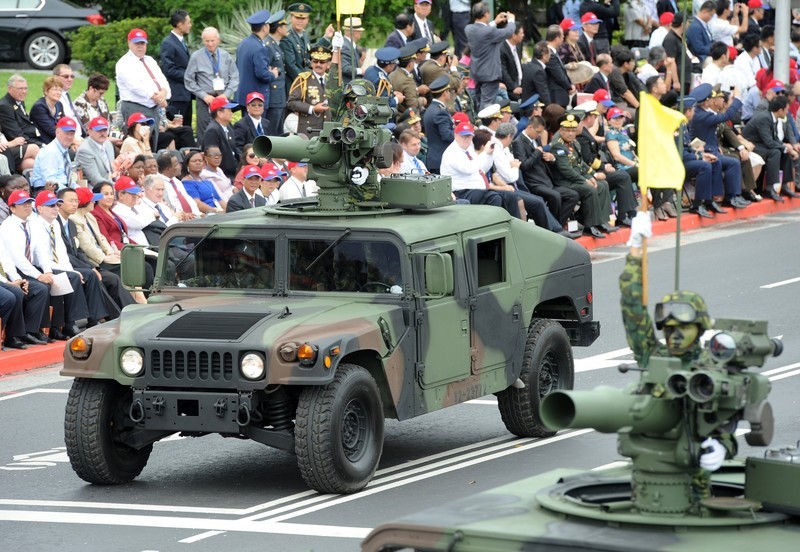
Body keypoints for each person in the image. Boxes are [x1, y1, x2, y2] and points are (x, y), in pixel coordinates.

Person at [35, 190, 109, 338]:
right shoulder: (35, 224)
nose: (55, 208)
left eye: (57, 205)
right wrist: (71, 272)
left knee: (89, 274)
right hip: (43, 267)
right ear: (39, 208)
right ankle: (69, 323)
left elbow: (61, 253)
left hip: (58, 265)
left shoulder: (54, 224)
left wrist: (72, 270)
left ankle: (94, 318)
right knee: (72, 277)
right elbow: (41, 257)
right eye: (51, 206)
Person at [56, 187, 135, 313]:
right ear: (59, 203)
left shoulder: (70, 223)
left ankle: (130, 310)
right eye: (71, 201)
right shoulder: (61, 222)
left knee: (111, 277)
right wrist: (90, 266)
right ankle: (112, 315)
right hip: (65, 265)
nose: (75, 204)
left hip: (82, 263)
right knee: (98, 276)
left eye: (76, 200)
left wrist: (91, 264)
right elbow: (71, 252)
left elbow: (79, 250)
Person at [549, 112, 616, 238]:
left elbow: (581, 163)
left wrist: (593, 175)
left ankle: (601, 221)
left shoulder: (574, 142)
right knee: (590, 189)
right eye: (567, 130)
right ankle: (589, 226)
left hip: (575, 178)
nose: (570, 133)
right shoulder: (558, 145)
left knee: (603, 185)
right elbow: (566, 170)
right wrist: (584, 180)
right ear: (561, 130)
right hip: (564, 181)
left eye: (573, 130)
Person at [688, 83, 749, 209]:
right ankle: (723, 197)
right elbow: (727, 116)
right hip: (706, 151)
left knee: (733, 162)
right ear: (706, 102)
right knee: (732, 163)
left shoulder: (702, 112)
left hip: (711, 149)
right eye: (710, 98)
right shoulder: (703, 115)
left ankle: (731, 196)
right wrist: (737, 99)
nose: (712, 100)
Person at [440, 121, 520, 217]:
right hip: (461, 191)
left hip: (476, 190)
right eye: (463, 136)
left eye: (469, 136)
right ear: (455, 135)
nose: (466, 139)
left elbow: (482, 170)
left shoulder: (468, 150)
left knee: (510, 196)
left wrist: (489, 155)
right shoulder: (452, 152)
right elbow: (469, 169)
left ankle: (513, 226)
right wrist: (484, 153)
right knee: (494, 197)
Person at [116, 28, 170, 152]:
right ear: (129, 43)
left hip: (154, 108)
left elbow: (163, 80)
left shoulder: (150, 60)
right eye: (137, 43)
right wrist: (158, 97)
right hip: (135, 107)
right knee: (138, 145)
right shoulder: (124, 63)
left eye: (142, 43)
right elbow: (134, 86)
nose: (140, 46)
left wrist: (163, 93)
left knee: (151, 144)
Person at [184, 27, 240, 143]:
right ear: (203, 41)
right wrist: (203, 95)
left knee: (225, 129)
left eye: (212, 41)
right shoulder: (196, 57)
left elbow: (235, 77)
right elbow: (189, 80)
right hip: (206, 101)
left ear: (218, 40)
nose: (210, 44)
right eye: (207, 41)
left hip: (223, 99)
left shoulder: (225, 56)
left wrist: (226, 94)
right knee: (205, 133)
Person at [742, 95, 800, 201]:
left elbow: (774, 139)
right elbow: (769, 142)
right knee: (775, 152)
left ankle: (784, 186)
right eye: (786, 110)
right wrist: (785, 147)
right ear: (780, 110)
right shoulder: (764, 118)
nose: (787, 112)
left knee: (785, 152)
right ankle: (770, 187)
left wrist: (787, 147)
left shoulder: (774, 117)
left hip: (762, 143)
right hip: (752, 145)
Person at [465, 3, 516, 109]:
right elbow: (509, 32)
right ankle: (485, 124)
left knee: (479, 103)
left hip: (477, 73)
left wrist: (494, 22)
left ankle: (480, 123)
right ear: (486, 14)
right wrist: (511, 20)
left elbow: (482, 30)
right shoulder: (489, 32)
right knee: (487, 105)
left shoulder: (468, 29)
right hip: (490, 74)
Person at [281, 3, 335, 88]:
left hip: (305, 81)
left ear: (307, 20)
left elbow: (310, 51)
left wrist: (326, 37)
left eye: (303, 18)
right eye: (297, 17)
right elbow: (291, 66)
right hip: (295, 84)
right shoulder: (287, 38)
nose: (300, 21)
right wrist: (307, 81)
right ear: (291, 18)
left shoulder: (303, 34)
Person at [286, 45, 333, 138]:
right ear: (311, 63)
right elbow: (291, 102)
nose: (318, 64)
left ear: (328, 65)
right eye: (315, 61)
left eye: (322, 62)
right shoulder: (303, 79)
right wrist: (312, 108)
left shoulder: (331, 81)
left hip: (328, 129)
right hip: (308, 129)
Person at [237, 9, 279, 107]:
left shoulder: (243, 43)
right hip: (256, 99)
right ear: (264, 28)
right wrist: (273, 74)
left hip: (245, 97)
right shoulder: (260, 48)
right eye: (268, 24)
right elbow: (262, 74)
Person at [161, 10, 193, 124]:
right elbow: (169, 69)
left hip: (186, 95)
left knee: (186, 129)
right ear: (180, 24)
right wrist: (190, 76)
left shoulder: (181, 41)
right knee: (178, 130)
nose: (190, 25)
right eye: (188, 22)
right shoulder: (168, 43)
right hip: (177, 95)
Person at [30, 117, 78, 191]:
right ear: (57, 132)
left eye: (72, 134)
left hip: (64, 189)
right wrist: (70, 192)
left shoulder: (64, 150)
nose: (69, 137)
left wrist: (80, 189)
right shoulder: (50, 151)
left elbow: (70, 181)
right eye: (66, 133)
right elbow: (50, 182)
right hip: (47, 191)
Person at [73, 74, 117, 150]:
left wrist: (115, 136)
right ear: (91, 88)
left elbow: (109, 121)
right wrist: (107, 139)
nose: (102, 95)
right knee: (114, 148)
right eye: (100, 93)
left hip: (105, 136)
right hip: (91, 140)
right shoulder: (80, 103)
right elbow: (88, 129)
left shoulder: (101, 100)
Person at [422, 75, 455, 174]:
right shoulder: (440, 112)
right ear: (445, 93)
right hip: (441, 159)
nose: (449, 93)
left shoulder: (431, 108)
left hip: (435, 158)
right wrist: (459, 133)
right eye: (448, 91)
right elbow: (447, 136)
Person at [0, 74, 45, 147]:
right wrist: (41, 145)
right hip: (23, 145)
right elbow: (16, 134)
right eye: (20, 88)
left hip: (33, 139)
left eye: (25, 88)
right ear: (10, 89)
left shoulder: (19, 100)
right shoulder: (5, 106)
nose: (24, 92)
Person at [202, 96, 240, 179]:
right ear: (219, 113)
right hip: (221, 175)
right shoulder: (212, 131)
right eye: (229, 110)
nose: (231, 113)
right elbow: (211, 157)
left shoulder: (228, 128)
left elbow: (235, 150)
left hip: (234, 172)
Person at [156, 151, 201, 218]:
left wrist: (198, 214)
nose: (180, 166)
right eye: (176, 165)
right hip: (178, 221)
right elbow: (169, 207)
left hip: (194, 217)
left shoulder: (176, 181)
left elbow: (188, 200)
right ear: (168, 169)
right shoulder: (158, 183)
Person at [264, 10, 288, 136]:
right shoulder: (268, 46)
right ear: (279, 29)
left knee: (278, 129)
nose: (286, 28)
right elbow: (267, 69)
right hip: (274, 95)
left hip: (279, 94)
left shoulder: (276, 44)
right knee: (272, 130)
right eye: (284, 26)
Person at [181, 149, 225, 214]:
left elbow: (219, 199)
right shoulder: (187, 182)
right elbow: (197, 204)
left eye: (200, 161)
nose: (198, 163)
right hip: (207, 215)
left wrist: (229, 210)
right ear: (187, 165)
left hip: (219, 211)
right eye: (194, 161)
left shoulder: (206, 181)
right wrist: (217, 211)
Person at [76, 117, 116, 187]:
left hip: (111, 185)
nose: (102, 133)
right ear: (90, 131)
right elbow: (95, 180)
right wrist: (118, 186)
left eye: (104, 130)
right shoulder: (85, 150)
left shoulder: (108, 143)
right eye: (99, 130)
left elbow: (114, 170)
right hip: (96, 189)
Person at [544, 25, 575, 108]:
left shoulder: (554, 52)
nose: (563, 38)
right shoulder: (549, 53)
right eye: (562, 36)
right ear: (557, 38)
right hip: (555, 96)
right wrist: (569, 87)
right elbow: (559, 75)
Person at [30, 76, 66, 144]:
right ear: (46, 91)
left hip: (58, 140)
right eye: (55, 90)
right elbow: (51, 130)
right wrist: (72, 141)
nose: (58, 93)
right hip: (42, 143)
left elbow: (64, 124)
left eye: (60, 90)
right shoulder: (39, 107)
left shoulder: (59, 104)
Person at [500, 23, 525, 101]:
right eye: (521, 33)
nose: (523, 35)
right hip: (509, 88)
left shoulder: (518, 46)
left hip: (520, 84)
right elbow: (503, 71)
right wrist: (513, 87)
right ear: (514, 35)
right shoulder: (502, 49)